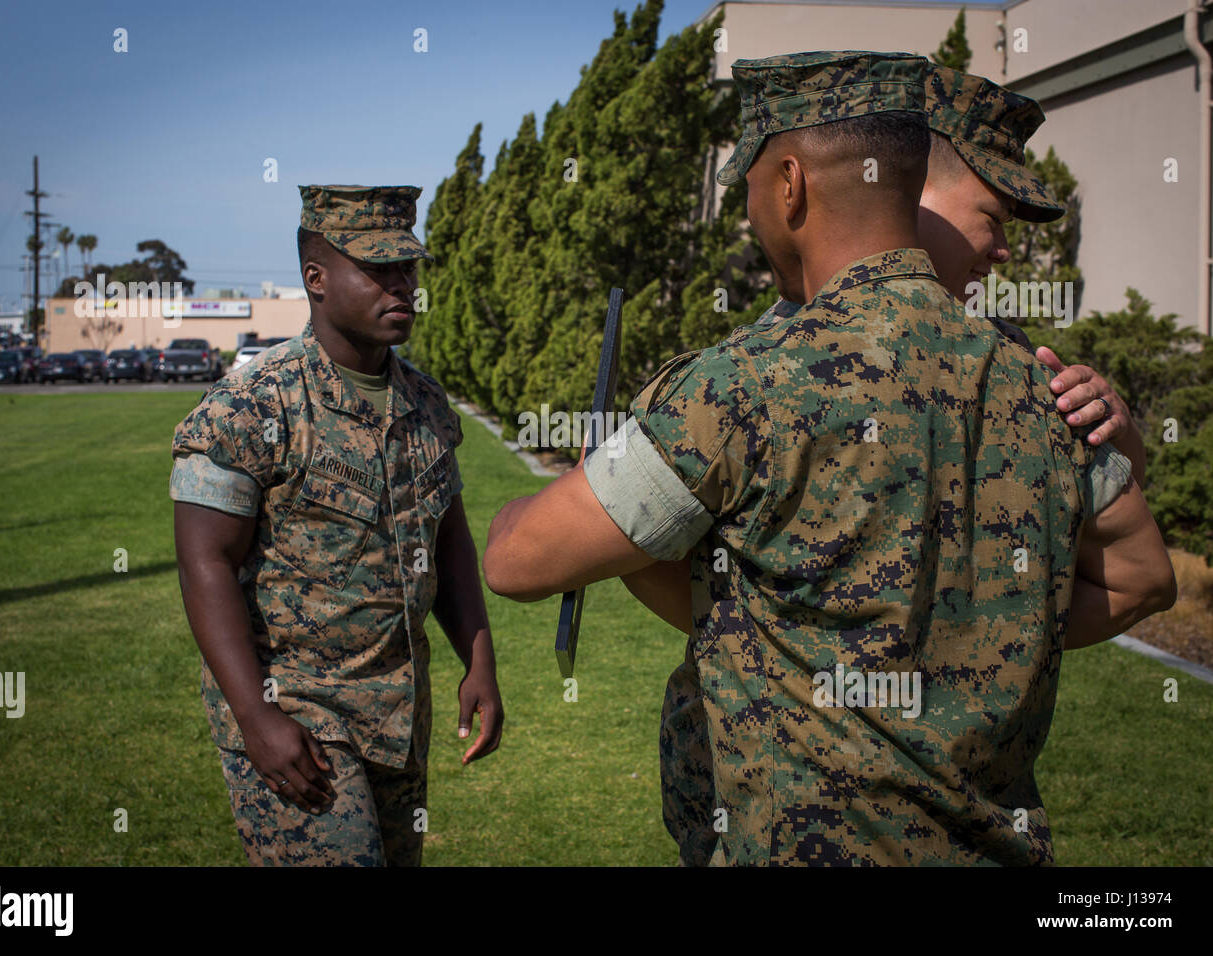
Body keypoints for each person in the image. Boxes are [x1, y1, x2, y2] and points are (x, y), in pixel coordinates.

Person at [483, 52, 1176, 865]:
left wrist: (597, 485)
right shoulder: (1031, 381)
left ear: (789, 185)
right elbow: (1141, 578)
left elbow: (516, 560)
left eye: (747, 188)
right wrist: (979, 646)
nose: (1003, 253)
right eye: (994, 219)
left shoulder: (746, 381)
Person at [171, 185, 503, 866]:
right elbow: (205, 563)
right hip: (297, 716)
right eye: (378, 271)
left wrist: (479, 660)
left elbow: (448, 539)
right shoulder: (250, 406)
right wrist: (257, 719)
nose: (401, 286)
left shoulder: (426, 404)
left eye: (407, 269)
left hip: (398, 716)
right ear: (315, 279)